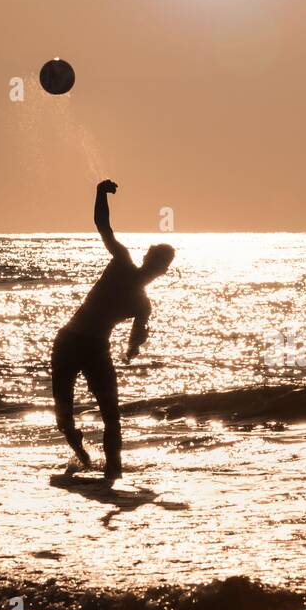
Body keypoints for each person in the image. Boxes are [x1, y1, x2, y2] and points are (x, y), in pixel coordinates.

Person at [50, 180, 175, 478]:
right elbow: (103, 226)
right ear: (147, 259)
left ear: (163, 272)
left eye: (162, 266)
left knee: (112, 415)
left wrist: (133, 348)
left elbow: (137, 332)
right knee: (64, 415)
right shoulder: (121, 263)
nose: (156, 269)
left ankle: (113, 474)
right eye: (156, 262)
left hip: (97, 349)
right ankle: (82, 456)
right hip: (68, 342)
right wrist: (99, 192)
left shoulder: (143, 305)